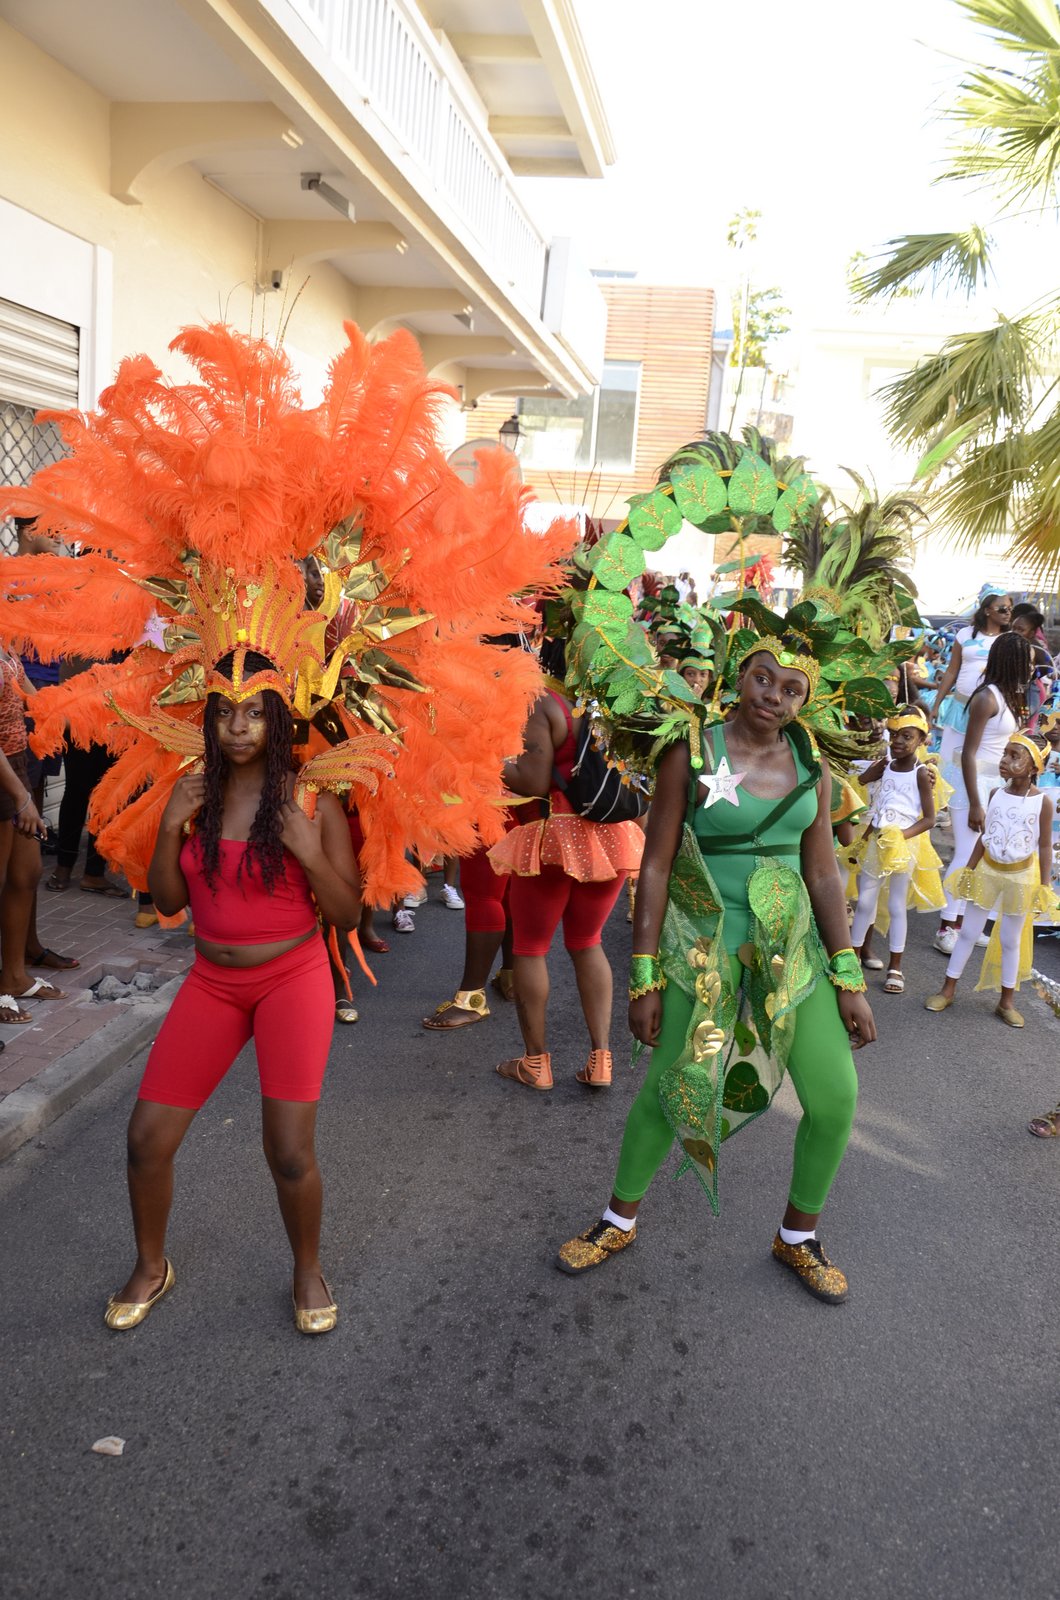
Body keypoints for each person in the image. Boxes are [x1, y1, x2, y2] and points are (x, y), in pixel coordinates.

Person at [555, 643, 876, 1302]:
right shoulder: (692, 753)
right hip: (704, 946)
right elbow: (655, 865)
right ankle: (618, 1219)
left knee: (836, 1095)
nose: (773, 695)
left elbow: (821, 871)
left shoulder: (812, 766)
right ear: (740, 677)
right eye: (763, 678)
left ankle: (797, 1238)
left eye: (791, 688)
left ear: (805, 702)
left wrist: (849, 977)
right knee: (674, 1086)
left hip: (791, 950)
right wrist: (643, 972)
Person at [103, 648, 361, 1334]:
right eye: (224, 712)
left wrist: (307, 849)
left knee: (288, 1150)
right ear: (208, 718)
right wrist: (165, 828)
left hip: (292, 979)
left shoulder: (312, 799)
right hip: (212, 984)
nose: (238, 727)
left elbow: (347, 914)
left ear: (277, 719)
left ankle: (307, 1269)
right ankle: (152, 1265)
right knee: (145, 1140)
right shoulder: (192, 795)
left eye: (254, 713)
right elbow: (166, 902)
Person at [488, 647, 644, 1090]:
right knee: (588, 943)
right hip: (613, 838)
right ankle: (601, 1060)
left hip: (553, 837)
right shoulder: (621, 703)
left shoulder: (545, 703)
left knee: (531, 948)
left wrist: (491, 762)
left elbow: (533, 782)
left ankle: (535, 1063)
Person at [925, 733, 1055, 1028]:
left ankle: (1006, 1002)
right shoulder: (996, 793)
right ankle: (948, 989)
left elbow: (1044, 846)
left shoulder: (1042, 803)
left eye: (1014, 756)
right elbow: (986, 836)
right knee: (969, 932)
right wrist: (969, 869)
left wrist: (1045, 887)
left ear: (1034, 766)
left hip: (1020, 878)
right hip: (987, 872)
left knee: (1010, 940)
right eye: (1005, 754)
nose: (1005, 761)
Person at [934, 631, 1032, 953]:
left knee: (984, 856)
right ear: (1011, 662)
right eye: (1026, 662)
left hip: (996, 786)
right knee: (965, 852)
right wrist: (976, 802)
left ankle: (966, 923)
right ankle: (947, 925)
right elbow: (968, 753)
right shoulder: (986, 697)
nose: (1030, 669)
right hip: (971, 783)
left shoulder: (1010, 696)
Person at [847, 707, 943, 994]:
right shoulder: (884, 766)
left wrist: (901, 836)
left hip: (903, 847)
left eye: (907, 736)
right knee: (865, 902)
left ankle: (896, 966)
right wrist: (864, 839)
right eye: (895, 735)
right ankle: (850, 962)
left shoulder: (921, 773)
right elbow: (876, 807)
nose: (898, 741)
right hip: (876, 842)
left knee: (896, 905)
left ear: (922, 740)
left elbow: (929, 818)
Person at [1010, 602, 1054, 724]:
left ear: (1031, 632)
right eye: (1013, 627)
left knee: (1021, 723)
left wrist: (1032, 675)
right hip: (1015, 690)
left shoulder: (1033, 644)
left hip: (1029, 691)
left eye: (1021, 629)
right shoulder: (1010, 642)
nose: (1015, 632)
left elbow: (1049, 666)